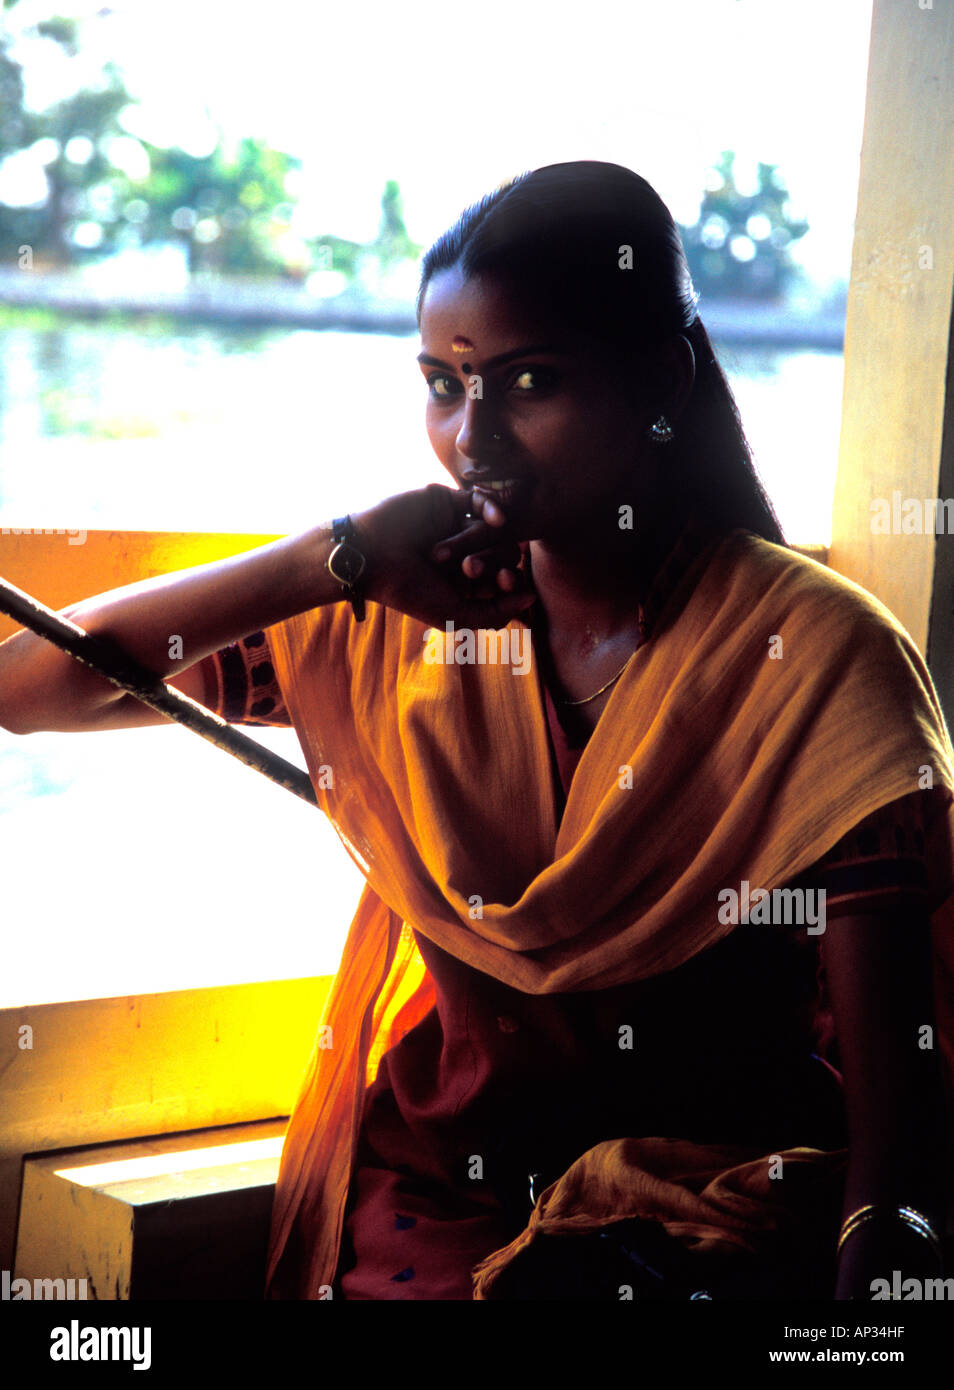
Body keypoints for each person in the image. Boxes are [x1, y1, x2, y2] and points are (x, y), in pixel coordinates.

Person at [1, 161, 952, 1301]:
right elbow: (33, 689)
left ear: (662, 378)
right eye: (443, 385)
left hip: (709, 1220)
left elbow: (898, 1130)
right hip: (443, 1204)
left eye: (529, 381)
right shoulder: (395, 614)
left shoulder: (814, 657)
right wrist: (329, 556)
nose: (473, 436)